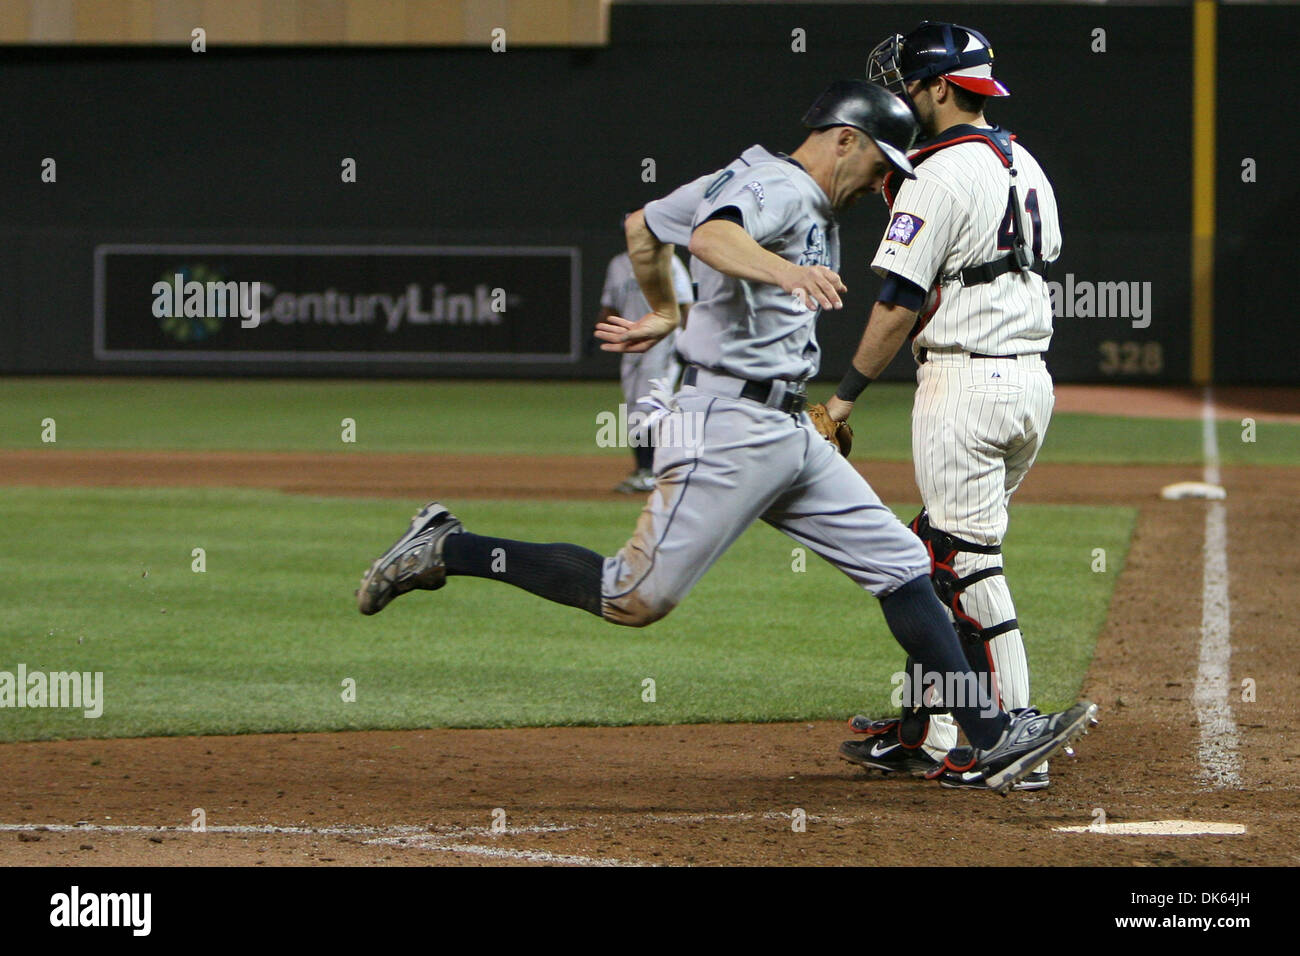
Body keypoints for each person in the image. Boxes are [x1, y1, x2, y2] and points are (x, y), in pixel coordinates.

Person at [356, 79, 1094, 794]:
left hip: (784, 427)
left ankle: (995, 737)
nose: (880, 185)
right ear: (846, 139)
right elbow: (711, 236)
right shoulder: (781, 187)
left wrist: (670, 312)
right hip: (727, 427)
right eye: (879, 164)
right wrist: (785, 270)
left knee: (902, 563)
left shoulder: (742, 172)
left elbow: (644, 228)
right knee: (633, 596)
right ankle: (445, 546)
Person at [830, 23, 1065, 789]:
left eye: (907, 82)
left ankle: (1012, 732)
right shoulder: (1022, 160)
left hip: (967, 382)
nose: (899, 96)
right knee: (928, 553)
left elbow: (898, 303)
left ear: (938, 88)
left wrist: (840, 400)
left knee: (963, 562)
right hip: (1028, 382)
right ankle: (930, 728)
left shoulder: (936, 174)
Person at [598, 238, 694, 493]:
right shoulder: (618, 264)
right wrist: (596, 332)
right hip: (631, 344)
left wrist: (689, 341)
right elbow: (608, 304)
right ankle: (646, 469)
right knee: (634, 406)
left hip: (662, 344)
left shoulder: (670, 262)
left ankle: (653, 470)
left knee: (649, 404)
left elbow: (686, 305)